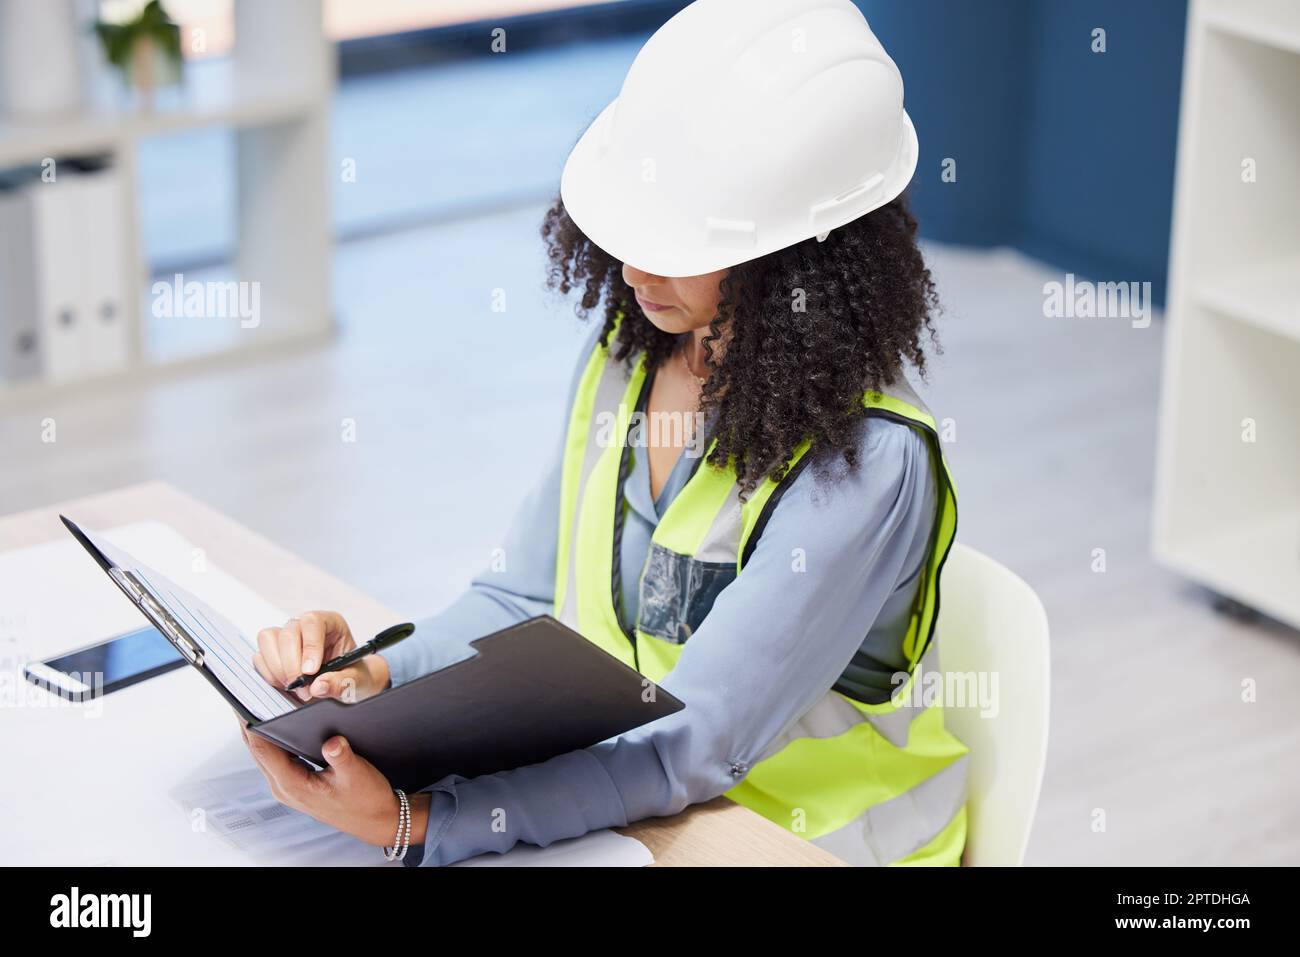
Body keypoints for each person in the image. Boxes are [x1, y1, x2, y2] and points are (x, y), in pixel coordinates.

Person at [241, 0, 969, 867]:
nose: (629, 269)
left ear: (803, 255)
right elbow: (523, 597)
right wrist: (370, 677)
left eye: (675, 240)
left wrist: (420, 822)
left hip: (803, 837)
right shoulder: (630, 350)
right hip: (638, 804)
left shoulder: (870, 460)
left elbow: (690, 741)